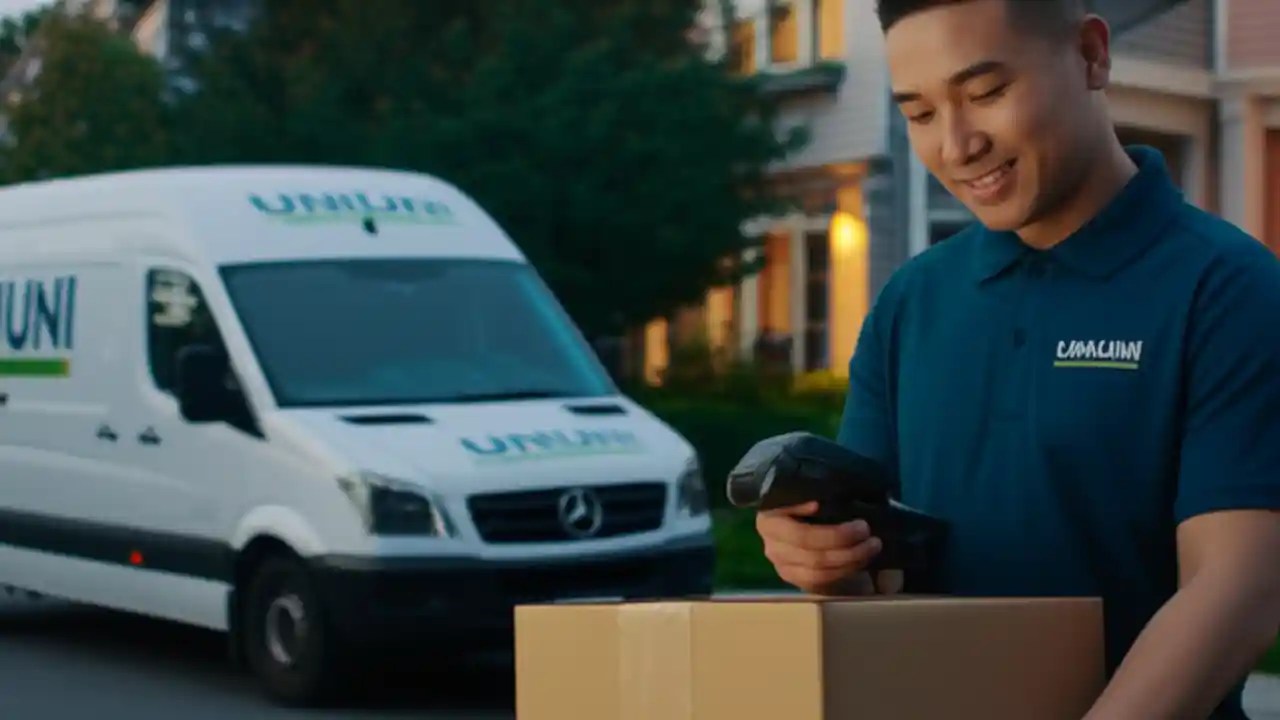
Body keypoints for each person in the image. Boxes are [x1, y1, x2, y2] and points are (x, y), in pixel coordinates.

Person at [754, 1, 1280, 717]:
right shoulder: (912, 301)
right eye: (920, 113)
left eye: (986, 93)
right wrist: (817, 555)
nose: (957, 144)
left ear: (1092, 55)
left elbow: (1239, 590)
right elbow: (872, 582)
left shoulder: (1227, 289)